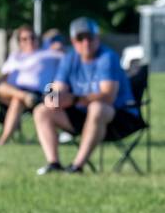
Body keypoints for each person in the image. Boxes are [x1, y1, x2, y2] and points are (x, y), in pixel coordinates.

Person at [35, 17, 142, 174]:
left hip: (119, 117)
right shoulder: (69, 58)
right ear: (73, 41)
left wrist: (74, 99)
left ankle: (77, 166)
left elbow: (108, 96)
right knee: (41, 110)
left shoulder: (107, 57)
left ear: (97, 38)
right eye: (80, 38)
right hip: (84, 117)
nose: (86, 42)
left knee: (97, 108)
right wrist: (53, 98)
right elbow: (58, 88)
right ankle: (54, 163)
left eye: (89, 37)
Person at [0, 27, 65, 145]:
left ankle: (3, 141)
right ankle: (24, 96)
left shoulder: (48, 54)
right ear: (20, 43)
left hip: (39, 94)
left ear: (37, 39)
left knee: (17, 100)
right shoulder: (15, 56)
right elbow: (4, 75)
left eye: (32, 38)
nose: (29, 41)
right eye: (25, 39)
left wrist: (61, 48)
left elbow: (68, 55)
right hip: (13, 92)